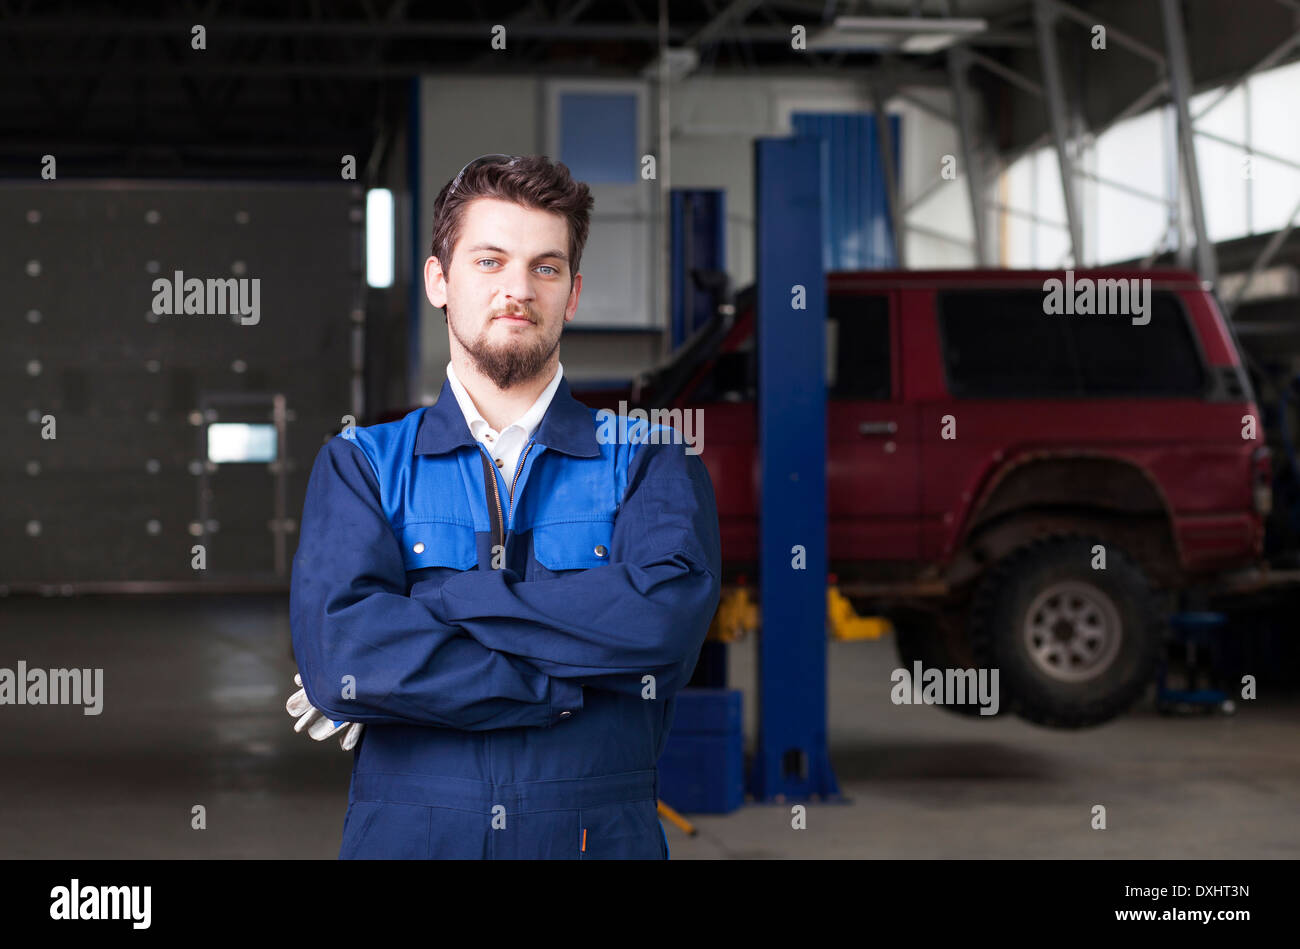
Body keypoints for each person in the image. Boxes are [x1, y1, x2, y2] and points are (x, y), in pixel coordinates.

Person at [287, 154, 721, 859]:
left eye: (545, 268)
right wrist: (566, 683)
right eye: (490, 261)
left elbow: (664, 631)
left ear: (572, 293)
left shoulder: (648, 460)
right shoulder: (362, 464)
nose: (518, 289)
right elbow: (345, 657)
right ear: (439, 280)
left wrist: (441, 604)